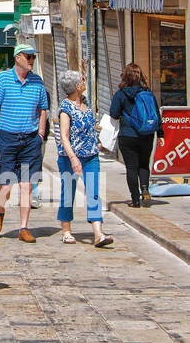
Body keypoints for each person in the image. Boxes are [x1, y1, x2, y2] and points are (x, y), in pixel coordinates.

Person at [0, 43, 49, 244]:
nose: (31, 60)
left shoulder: (37, 81)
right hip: (7, 137)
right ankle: (0, 211)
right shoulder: (3, 79)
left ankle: (23, 227)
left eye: (33, 57)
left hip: (30, 139)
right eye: (28, 56)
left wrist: (40, 133)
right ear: (17, 57)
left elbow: (43, 110)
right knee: (6, 183)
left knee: (27, 185)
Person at [56, 70, 112, 247]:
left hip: (91, 156)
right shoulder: (66, 108)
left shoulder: (86, 104)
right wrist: (73, 158)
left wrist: (98, 143)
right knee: (68, 193)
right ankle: (66, 230)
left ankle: (98, 233)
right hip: (69, 157)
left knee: (93, 193)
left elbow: (90, 129)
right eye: (81, 80)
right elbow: (64, 136)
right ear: (75, 86)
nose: (84, 82)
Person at [110, 64, 163, 208]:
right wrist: (160, 134)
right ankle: (145, 188)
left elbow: (114, 113)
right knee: (144, 164)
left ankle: (135, 200)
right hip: (146, 134)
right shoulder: (147, 92)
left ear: (125, 76)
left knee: (131, 168)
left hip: (128, 135)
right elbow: (156, 114)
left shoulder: (121, 94)